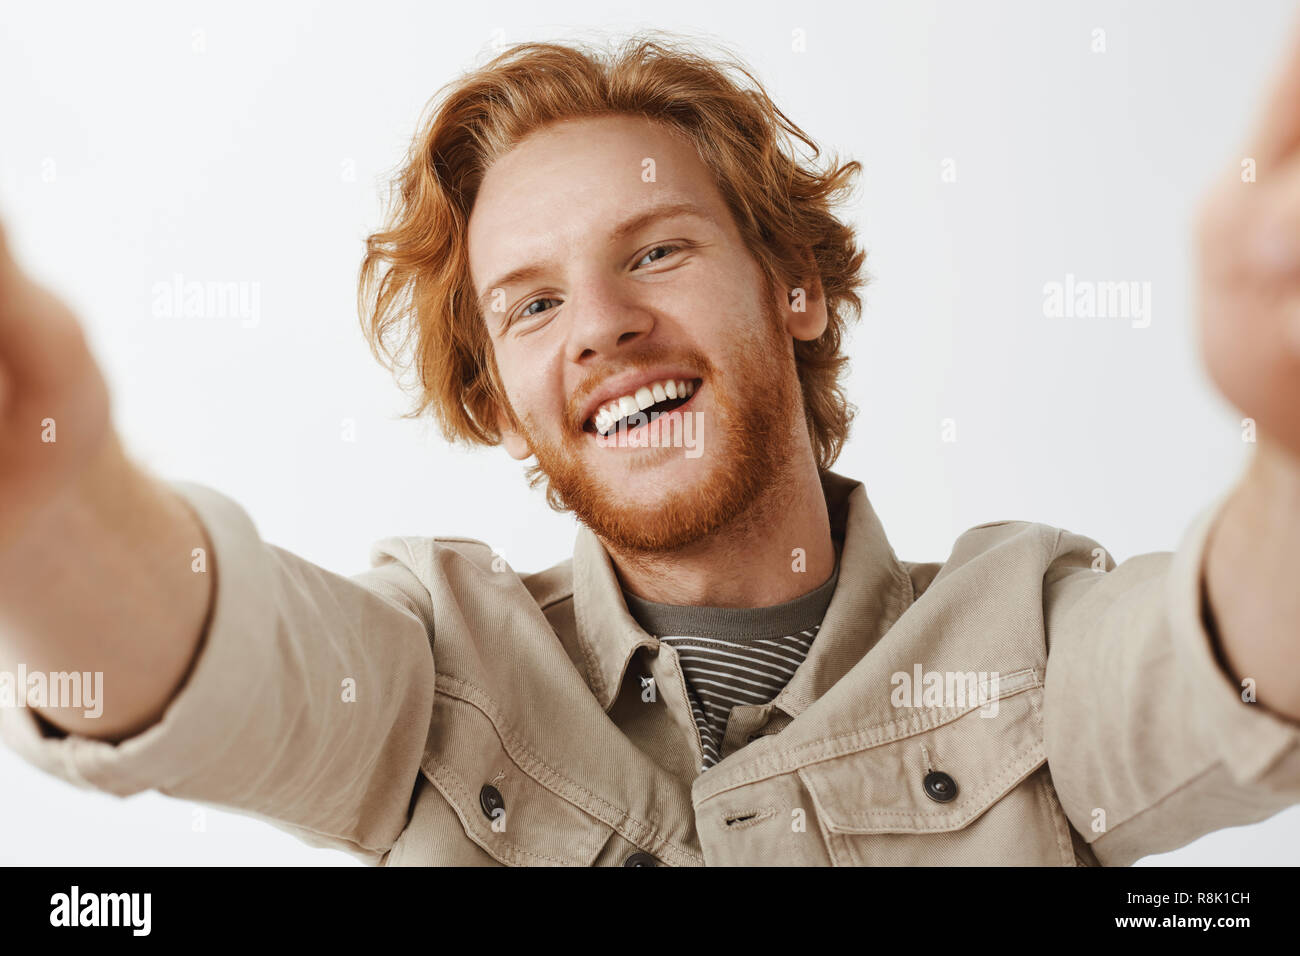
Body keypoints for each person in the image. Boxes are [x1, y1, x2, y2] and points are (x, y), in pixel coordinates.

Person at [1, 30, 1298, 867]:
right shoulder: (425, 677)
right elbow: (211, 669)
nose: (604, 330)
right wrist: (46, 503)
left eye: (657, 252)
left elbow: (1222, 663)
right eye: (533, 305)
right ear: (502, 397)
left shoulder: (1030, 647)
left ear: (795, 286)